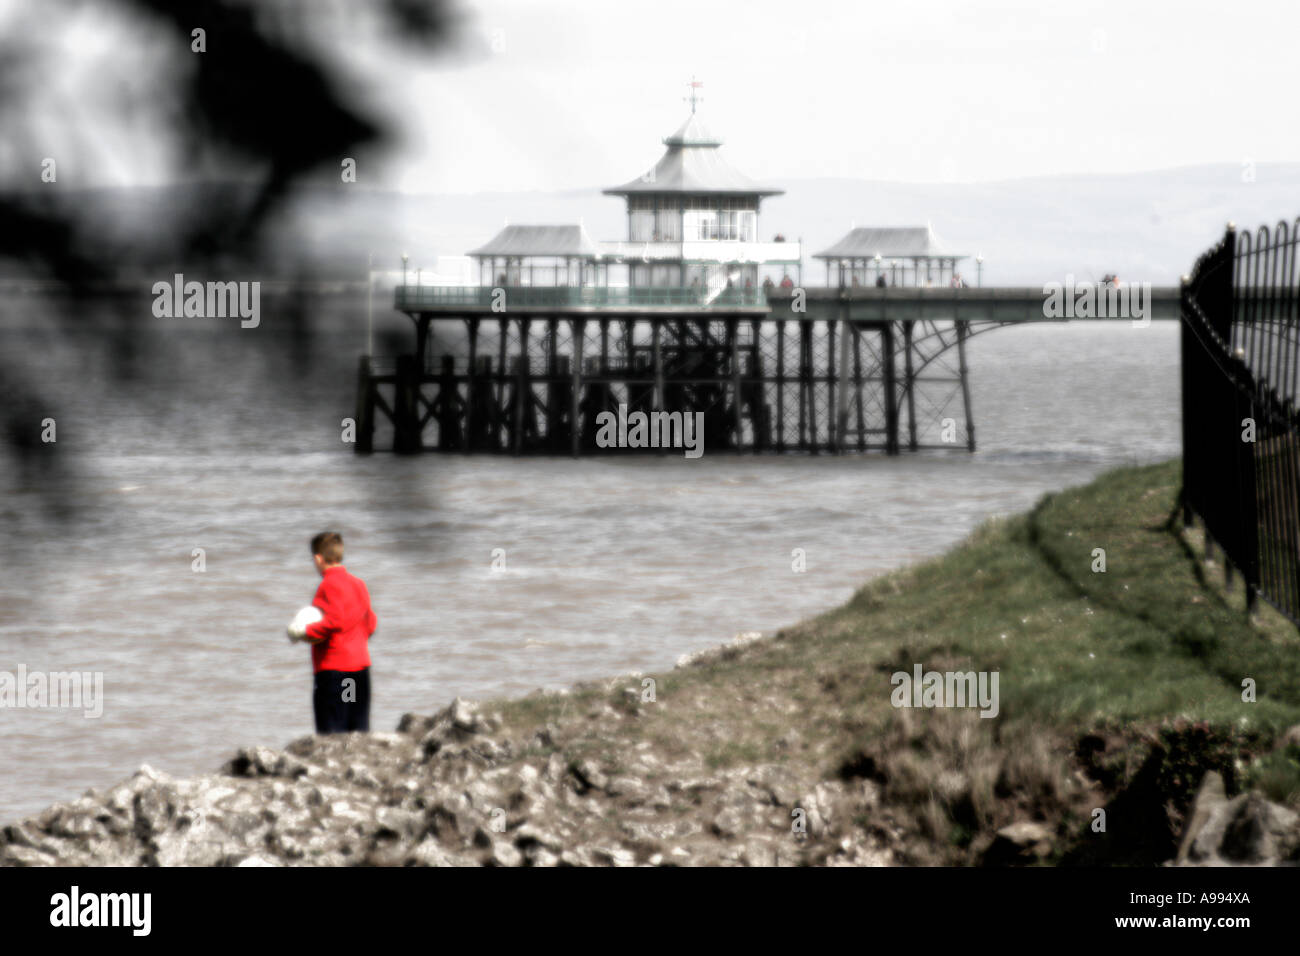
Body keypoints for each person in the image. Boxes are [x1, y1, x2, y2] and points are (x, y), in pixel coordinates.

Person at [288, 532, 377, 733]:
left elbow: (335, 620)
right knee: (356, 730)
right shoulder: (359, 584)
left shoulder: (328, 585)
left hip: (335, 671)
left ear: (318, 558)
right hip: (358, 670)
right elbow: (371, 623)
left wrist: (304, 631)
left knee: (332, 733)